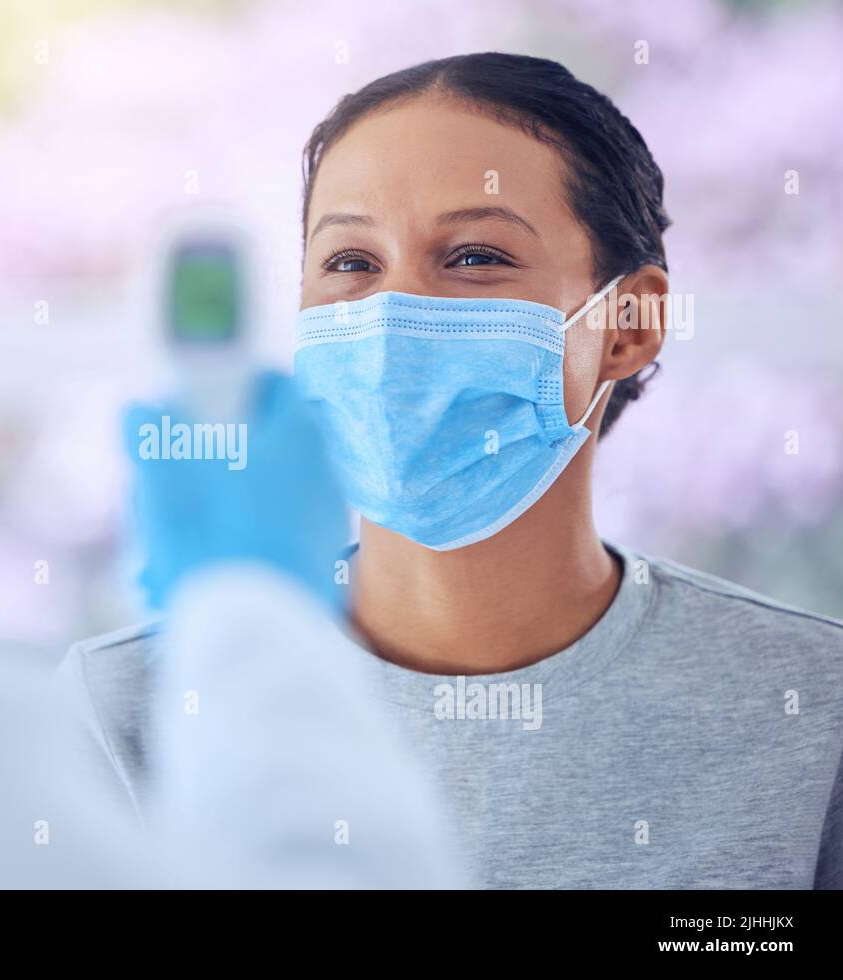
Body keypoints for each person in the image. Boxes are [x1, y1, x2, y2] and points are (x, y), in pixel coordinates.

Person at [55, 53, 843, 888]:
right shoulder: (131, 705)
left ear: (630, 323)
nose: (393, 316)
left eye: (473, 257)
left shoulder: (808, 704)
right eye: (351, 264)